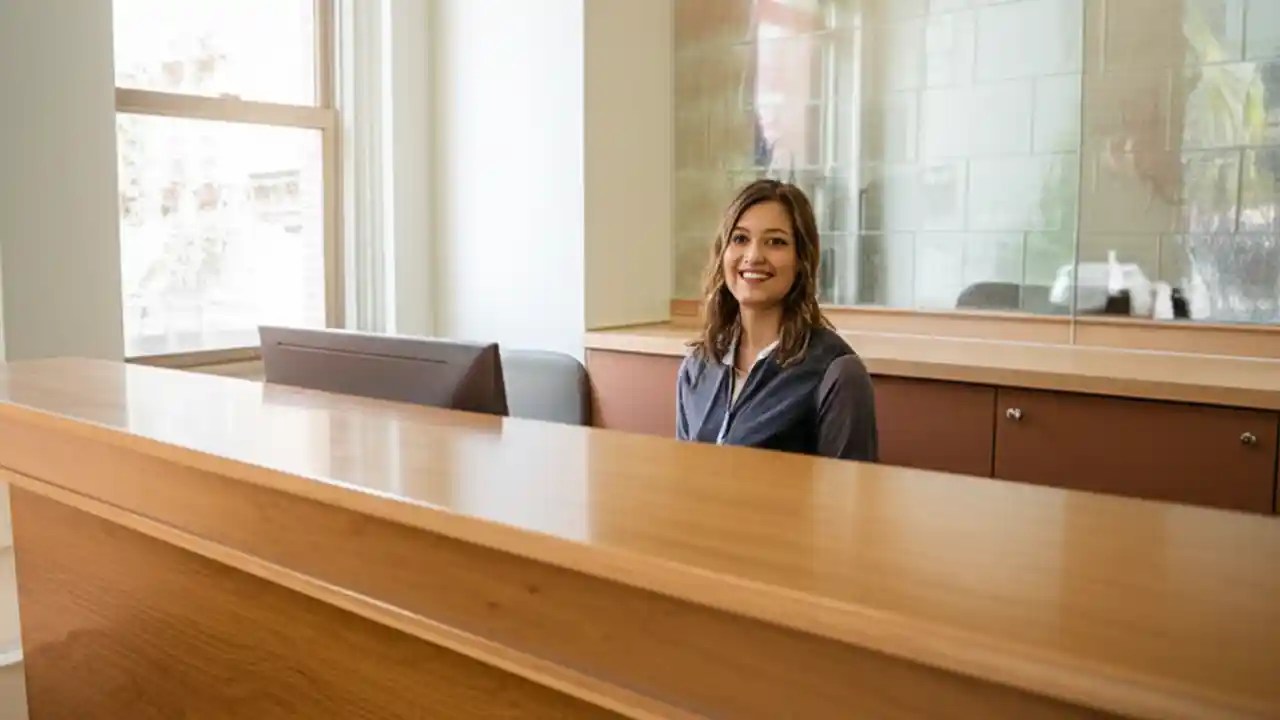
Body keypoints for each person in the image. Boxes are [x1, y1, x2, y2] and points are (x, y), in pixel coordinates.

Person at [676, 179, 878, 461]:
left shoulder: (838, 374)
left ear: (801, 261)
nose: (754, 256)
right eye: (740, 239)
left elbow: (848, 500)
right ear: (723, 254)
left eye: (776, 242)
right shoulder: (697, 366)